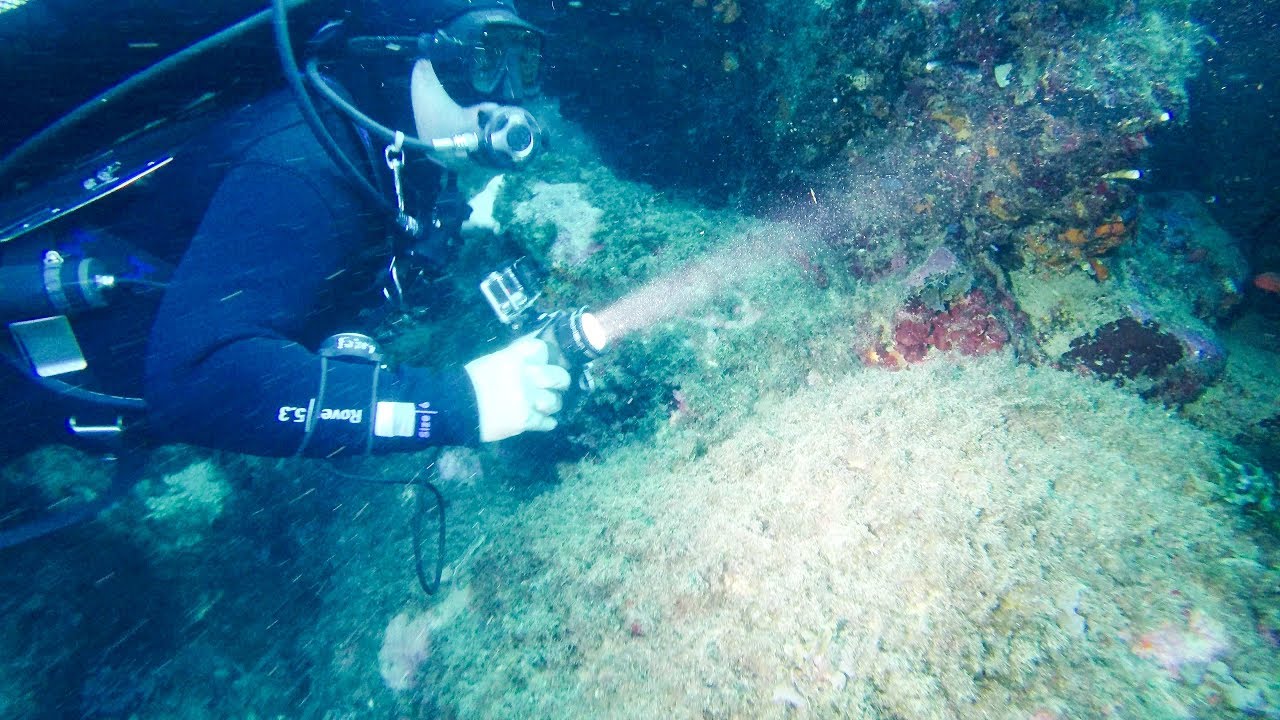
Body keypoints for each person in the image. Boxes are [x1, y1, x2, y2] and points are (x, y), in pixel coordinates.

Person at [0, 0, 576, 466]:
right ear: (396, 59)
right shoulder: (303, 172)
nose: (503, 94)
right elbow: (197, 382)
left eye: (520, 64)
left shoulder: (397, 158)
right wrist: (454, 405)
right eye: (480, 60)